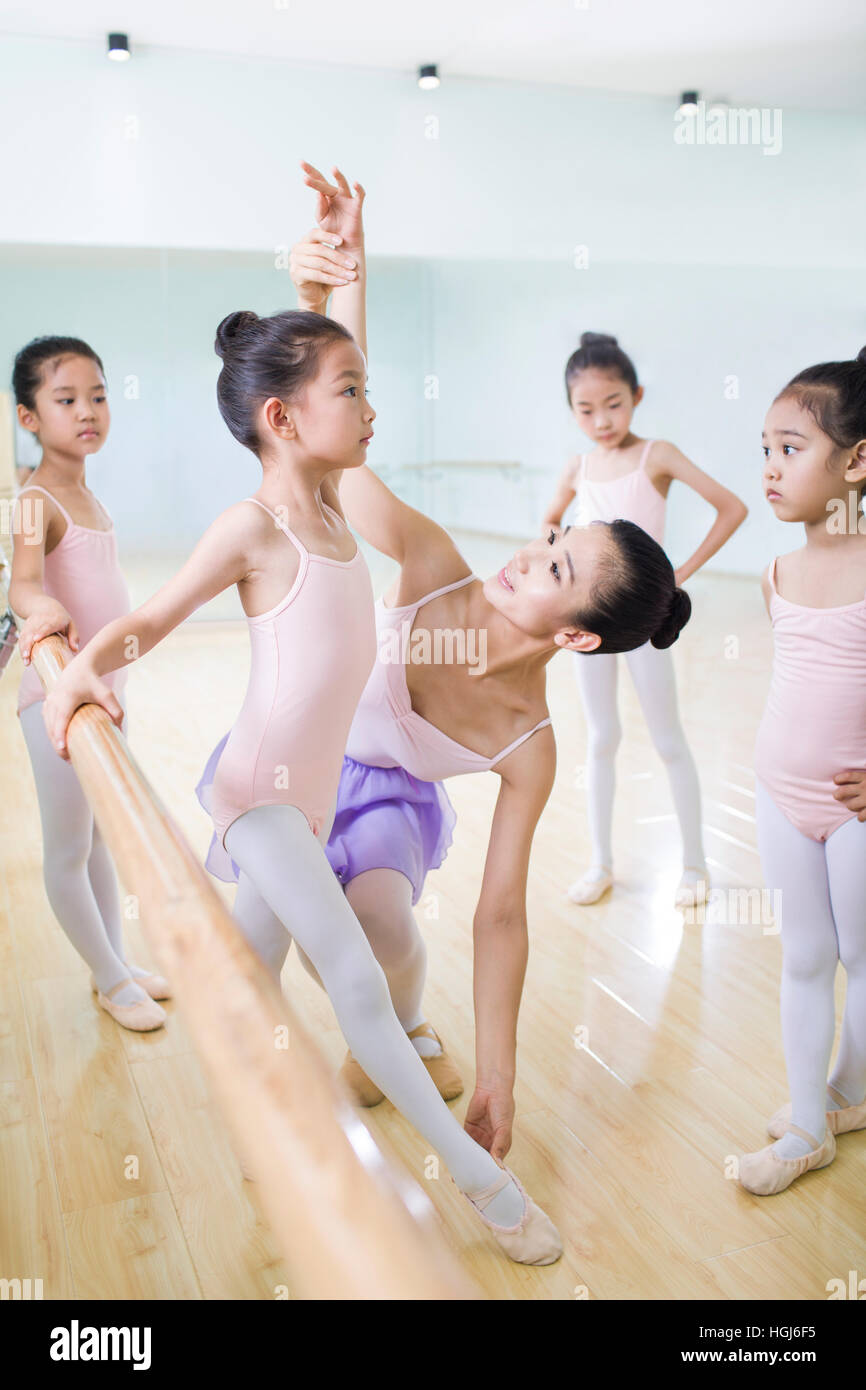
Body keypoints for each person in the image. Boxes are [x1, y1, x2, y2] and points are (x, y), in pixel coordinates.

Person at [42, 168, 562, 1264]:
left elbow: (326, 377)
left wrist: (343, 276)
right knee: (357, 983)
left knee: (245, 982)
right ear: (283, 417)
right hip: (260, 800)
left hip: (313, 801)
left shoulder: (334, 508)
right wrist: (78, 670)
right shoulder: (256, 525)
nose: (370, 409)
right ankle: (482, 1186)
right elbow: (155, 616)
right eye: (352, 392)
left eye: (367, 390)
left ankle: (263, 1139)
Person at [275, 199, 693, 1161]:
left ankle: (409, 1024)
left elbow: (501, 916)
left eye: (558, 571)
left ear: (580, 641)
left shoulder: (529, 748)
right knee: (304, 928)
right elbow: (337, 457)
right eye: (553, 540)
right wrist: (348, 280)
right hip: (300, 754)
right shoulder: (433, 564)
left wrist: (502, 1077)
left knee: (380, 922)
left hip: (383, 794)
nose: (530, 557)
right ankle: (384, 1029)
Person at [542, 332, 748, 908]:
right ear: (571, 411)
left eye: (613, 404)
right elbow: (550, 521)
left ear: (635, 396)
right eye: (586, 409)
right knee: (601, 737)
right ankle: (600, 862)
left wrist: (677, 573)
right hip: (591, 626)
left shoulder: (655, 454)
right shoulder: (578, 466)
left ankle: (694, 865)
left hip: (645, 622)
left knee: (667, 739)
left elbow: (732, 506)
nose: (602, 420)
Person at [10, 336, 170, 1031]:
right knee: (69, 848)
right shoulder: (35, 497)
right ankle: (108, 978)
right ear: (28, 417)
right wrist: (38, 607)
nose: (88, 411)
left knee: (101, 839)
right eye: (66, 399)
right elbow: (22, 583)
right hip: (57, 703)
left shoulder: (86, 492)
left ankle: (118, 959)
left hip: (104, 697)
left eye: (98, 396)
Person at [737, 347, 866, 1195]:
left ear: (856, 462)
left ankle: (849, 1091)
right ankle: (808, 1123)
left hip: (856, 806)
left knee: (863, 954)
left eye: (792, 448)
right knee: (805, 956)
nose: (771, 469)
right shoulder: (778, 571)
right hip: (780, 793)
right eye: (767, 449)